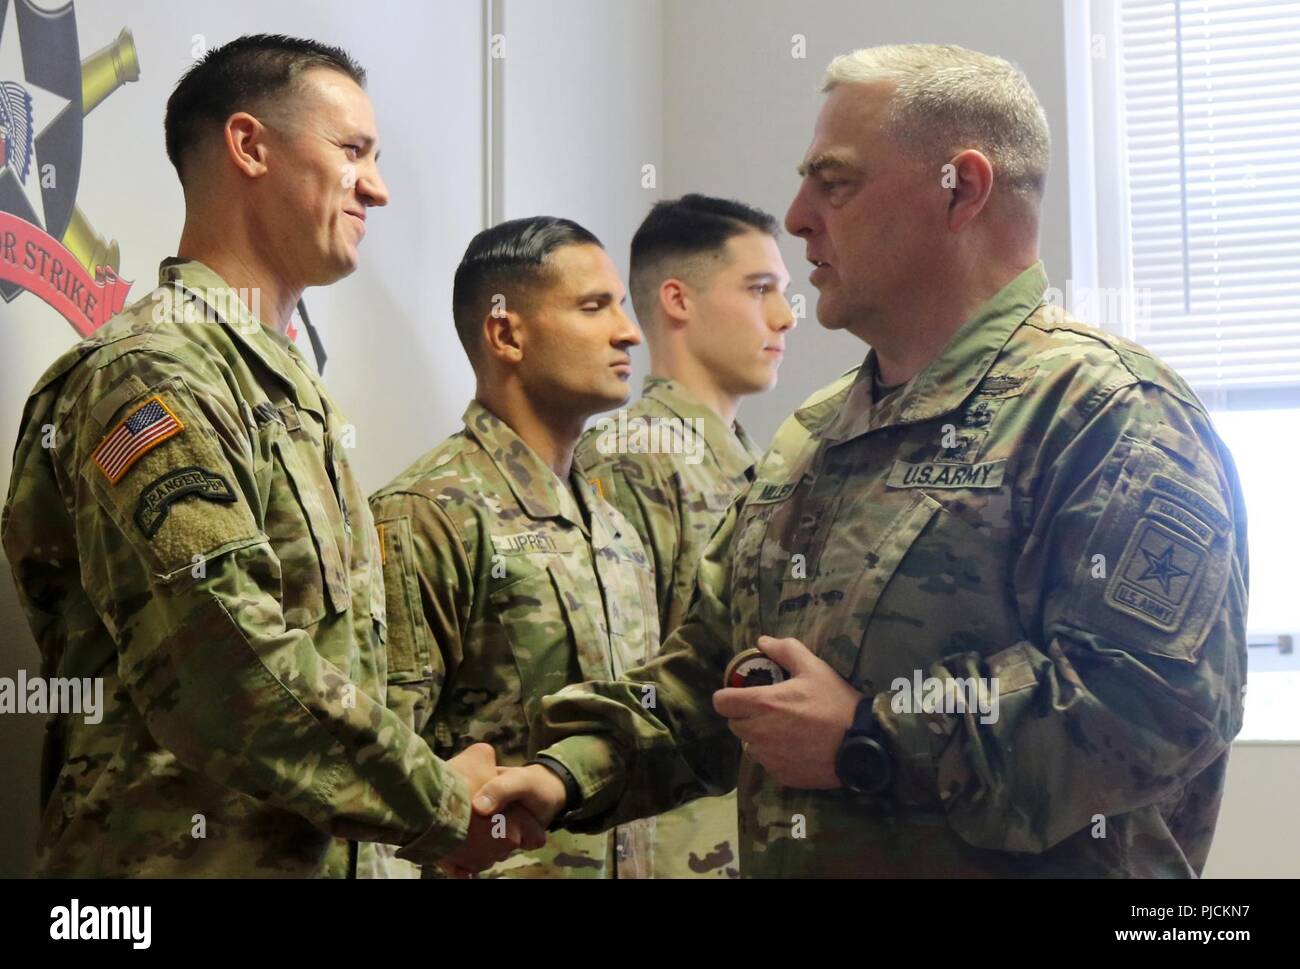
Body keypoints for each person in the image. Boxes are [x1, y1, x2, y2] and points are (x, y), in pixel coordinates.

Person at [474, 44, 1248, 878]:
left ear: (962, 189)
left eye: (834, 182)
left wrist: (872, 736)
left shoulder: (1111, 415)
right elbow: (714, 676)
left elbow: (1155, 704)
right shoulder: (812, 437)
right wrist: (560, 776)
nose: (798, 215)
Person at [1, 34, 539, 877]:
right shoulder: (153, 373)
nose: (377, 187)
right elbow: (225, 668)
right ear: (250, 146)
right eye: (352, 151)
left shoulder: (288, 392)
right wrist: (436, 802)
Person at [370, 216, 661, 877]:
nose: (629, 332)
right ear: (506, 334)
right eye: (594, 306)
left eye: (621, 305)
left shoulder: (612, 525)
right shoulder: (427, 512)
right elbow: (378, 768)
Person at [574, 194, 793, 877]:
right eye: (759, 289)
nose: (785, 316)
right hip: (669, 847)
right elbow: (630, 693)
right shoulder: (629, 458)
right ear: (678, 299)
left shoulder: (763, 468)